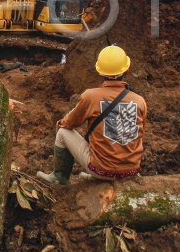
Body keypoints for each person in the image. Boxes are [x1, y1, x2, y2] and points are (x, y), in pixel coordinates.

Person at [36, 44, 148, 185]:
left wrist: (59, 124)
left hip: (101, 170)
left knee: (63, 132)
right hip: (130, 171)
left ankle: (59, 177)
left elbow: (69, 123)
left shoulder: (91, 96)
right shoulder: (140, 101)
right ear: (127, 69)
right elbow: (140, 133)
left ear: (99, 71)